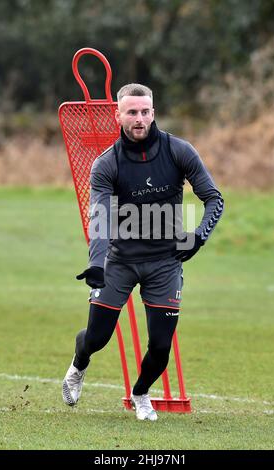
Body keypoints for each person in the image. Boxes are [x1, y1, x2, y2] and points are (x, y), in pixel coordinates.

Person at [62, 83, 224, 421]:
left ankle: (141, 394)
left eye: (145, 111)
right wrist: (96, 264)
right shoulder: (105, 164)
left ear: (154, 112)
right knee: (97, 337)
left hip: (165, 261)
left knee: (161, 346)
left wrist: (198, 236)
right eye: (132, 112)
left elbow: (214, 199)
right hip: (119, 261)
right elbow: (101, 220)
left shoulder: (179, 151)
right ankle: (79, 364)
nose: (140, 119)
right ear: (118, 114)